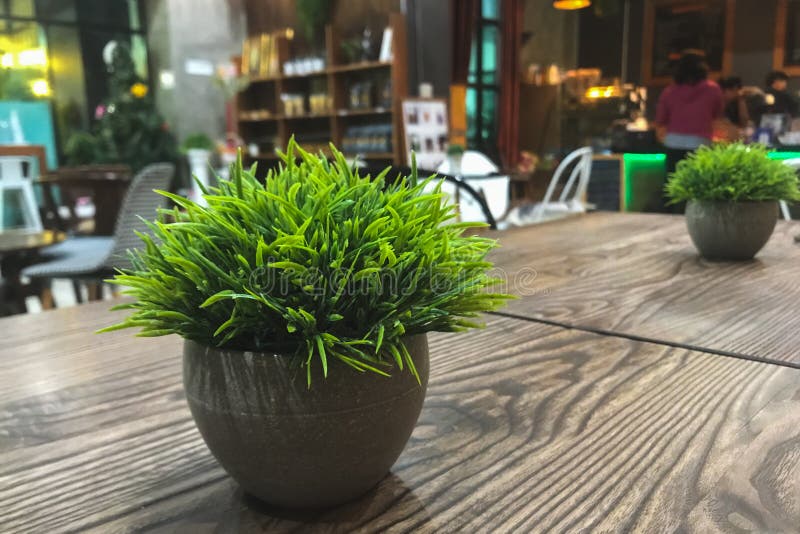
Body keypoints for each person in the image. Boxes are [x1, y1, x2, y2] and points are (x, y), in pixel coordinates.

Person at [655, 51, 723, 202]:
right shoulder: (713, 89)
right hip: (700, 144)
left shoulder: (669, 91)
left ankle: (671, 219)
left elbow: (660, 119)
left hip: (673, 143)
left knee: (673, 187)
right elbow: (717, 114)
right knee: (699, 189)